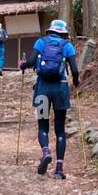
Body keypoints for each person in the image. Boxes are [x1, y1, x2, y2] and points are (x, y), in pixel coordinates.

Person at [20, 19, 79, 180]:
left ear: (50, 31)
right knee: (60, 129)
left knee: (42, 125)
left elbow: (31, 62)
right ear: (63, 33)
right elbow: (74, 69)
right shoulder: (67, 46)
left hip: (42, 88)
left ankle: (46, 151)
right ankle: (59, 169)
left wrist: (23, 65)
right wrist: (76, 81)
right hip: (60, 88)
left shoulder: (41, 42)